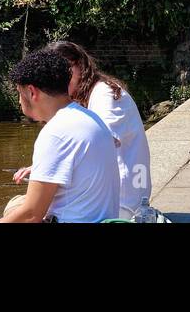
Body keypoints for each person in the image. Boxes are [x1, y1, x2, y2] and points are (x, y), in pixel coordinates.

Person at [13, 42, 152, 220]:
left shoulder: (105, 94)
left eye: (65, 69)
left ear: (80, 65)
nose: (59, 75)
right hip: (107, 197)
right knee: (20, 205)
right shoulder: (81, 102)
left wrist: (51, 163)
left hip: (123, 202)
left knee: (20, 209)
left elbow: (99, 142)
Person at [0, 48, 119, 223]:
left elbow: (32, 215)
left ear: (31, 92)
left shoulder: (55, 133)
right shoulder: (89, 117)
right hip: (102, 218)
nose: (20, 101)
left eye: (19, 94)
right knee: (15, 205)